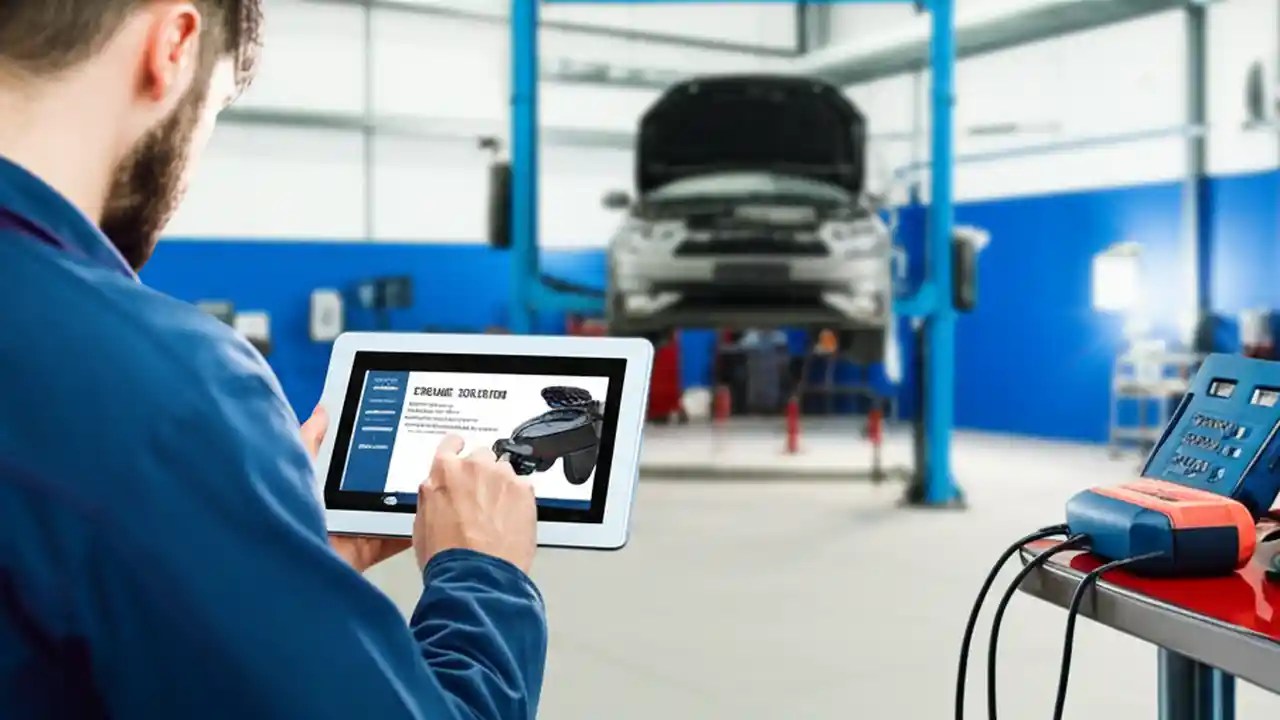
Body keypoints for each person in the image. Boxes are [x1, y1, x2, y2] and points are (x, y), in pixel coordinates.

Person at [0, 1, 547, 718]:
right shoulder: (169, 393)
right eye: (216, 107)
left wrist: (260, 572)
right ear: (174, 45)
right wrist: (484, 574)